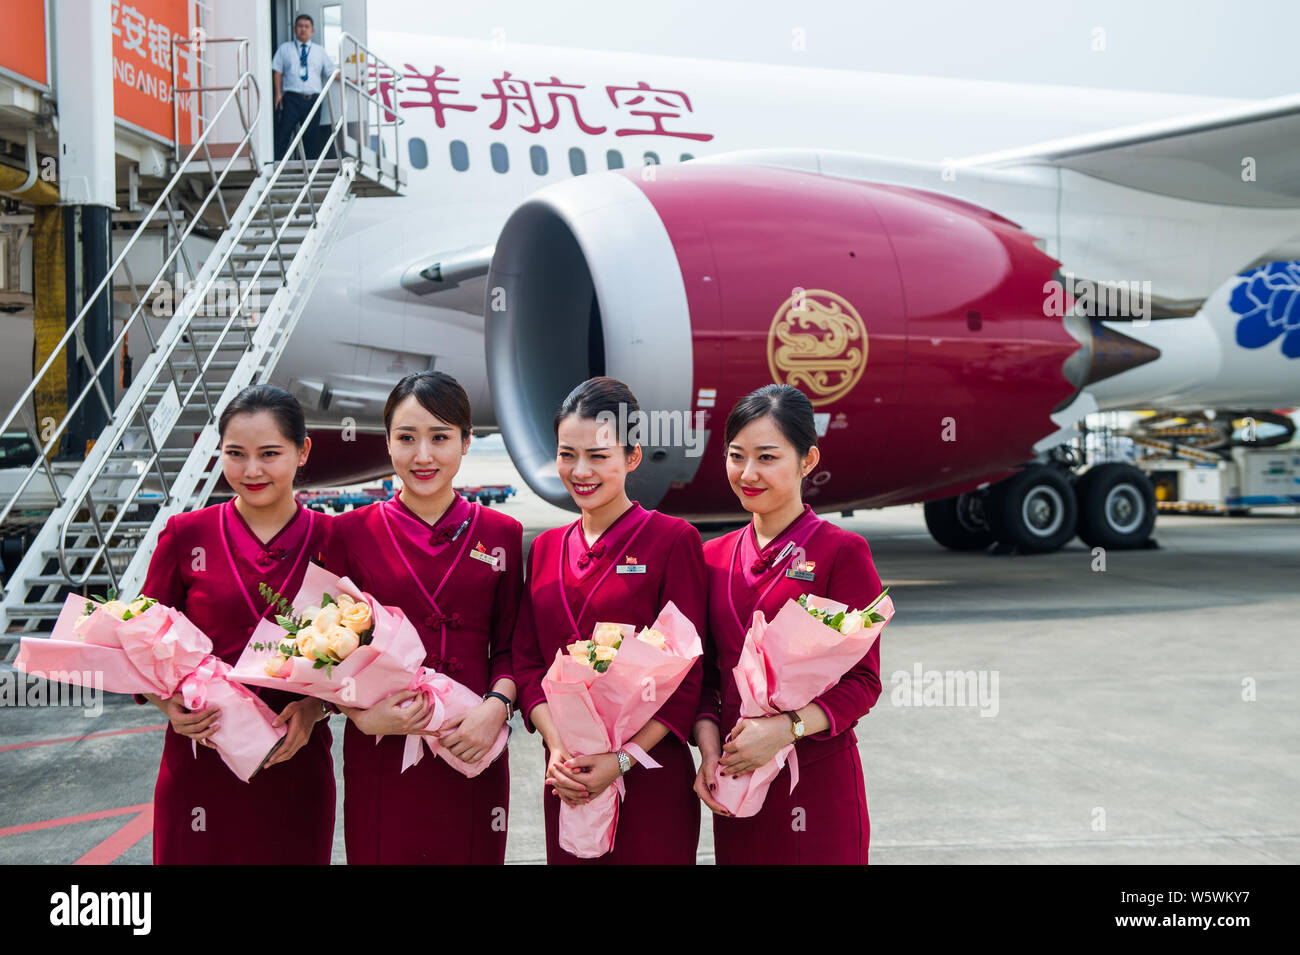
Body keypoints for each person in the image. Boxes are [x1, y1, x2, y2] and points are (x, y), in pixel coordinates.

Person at [323, 372, 521, 864]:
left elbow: (514, 645)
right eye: (407, 438)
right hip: (383, 745)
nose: (423, 456)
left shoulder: (501, 533)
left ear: (467, 441)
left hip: (473, 740)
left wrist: (495, 711)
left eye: (440, 437)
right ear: (387, 443)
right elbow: (325, 648)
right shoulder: (349, 532)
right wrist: (361, 716)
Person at [512, 376, 707, 865]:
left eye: (599, 456)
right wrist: (558, 748)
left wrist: (620, 760)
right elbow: (527, 662)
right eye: (566, 454)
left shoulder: (671, 539)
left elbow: (688, 677)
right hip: (570, 777)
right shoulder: (544, 548)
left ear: (632, 457)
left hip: (649, 771)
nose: (581, 471)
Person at [141, 384, 335, 864]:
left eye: (269, 453)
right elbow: (139, 644)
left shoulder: (334, 539)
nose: (251, 470)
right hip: (201, 757)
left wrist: (313, 709)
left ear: (302, 451)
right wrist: (167, 704)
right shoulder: (187, 535)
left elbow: (359, 658)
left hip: (294, 761)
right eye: (236, 454)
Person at [692, 384, 885, 864]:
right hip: (738, 779)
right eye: (736, 456)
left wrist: (786, 729)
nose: (748, 474)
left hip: (816, 775)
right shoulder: (711, 557)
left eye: (767, 457)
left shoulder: (841, 552)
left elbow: (864, 682)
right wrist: (709, 751)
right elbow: (705, 678)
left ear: (808, 460)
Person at [272, 14, 333, 160]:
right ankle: (278, 163)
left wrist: (350, 79)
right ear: (294, 29)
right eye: (300, 26)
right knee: (284, 131)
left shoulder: (319, 51)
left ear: (312, 30)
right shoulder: (285, 49)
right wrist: (278, 93)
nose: (303, 30)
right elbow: (277, 71)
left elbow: (331, 71)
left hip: (313, 99)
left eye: (306, 27)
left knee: (311, 135)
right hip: (291, 98)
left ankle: (310, 166)